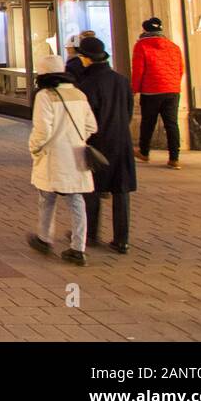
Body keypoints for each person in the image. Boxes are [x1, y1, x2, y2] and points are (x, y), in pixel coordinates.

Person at [27, 54, 98, 266]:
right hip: (75, 154)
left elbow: (42, 130)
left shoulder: (46, 96)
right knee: (76, 201)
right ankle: (78, 247)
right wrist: (77, 140)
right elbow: (91, 126)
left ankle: (44, 237)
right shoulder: (78, 94)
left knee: (47, 198)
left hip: (53, 155)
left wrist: (34, 148)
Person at [77, 37, 136, 253]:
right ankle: (122, 240)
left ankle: (91, 233)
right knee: (121, 191)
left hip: (98, 142)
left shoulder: (87, 84)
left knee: (91, 190)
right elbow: (129, 110)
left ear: (87, 59)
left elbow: (87, 117)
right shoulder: (121, 80)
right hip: (121, 141)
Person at [132, 17, 184, 169]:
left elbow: (138, 71)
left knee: (148, 122)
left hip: (151, 91)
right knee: (172, 124)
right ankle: (174, 158)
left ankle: (144, 152)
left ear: (145, 30)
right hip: (172, 90)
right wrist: (173, 84)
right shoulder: (173, 46)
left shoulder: (141, 45)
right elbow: (180, 69)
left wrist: (134, 89)